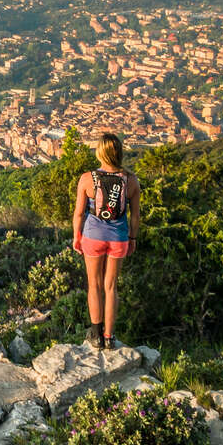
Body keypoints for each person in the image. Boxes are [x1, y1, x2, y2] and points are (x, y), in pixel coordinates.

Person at [70, 132, 138, 350]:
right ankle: (109, 337)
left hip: (93, 236)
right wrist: (132, 238)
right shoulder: (131, 180)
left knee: (94, 285)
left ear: (100, 152)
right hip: (119, 238)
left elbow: (78, 213)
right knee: (111, 287)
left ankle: (96, 334)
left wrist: (76, 236)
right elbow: (135, 216)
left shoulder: (87, 178)